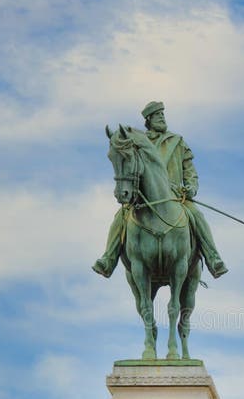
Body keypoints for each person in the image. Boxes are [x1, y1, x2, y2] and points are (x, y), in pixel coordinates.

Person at [93, 101, 228, 279]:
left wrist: (191, 187)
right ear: (148, 120)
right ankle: (108, 258)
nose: (162, 118)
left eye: (162, 114)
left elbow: (189, 170)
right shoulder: (138, 142)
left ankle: (213, 258)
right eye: (157, 115)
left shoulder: (177, 141)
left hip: (176, 196)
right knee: (120, 217)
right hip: (145, 197)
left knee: (197, 215)